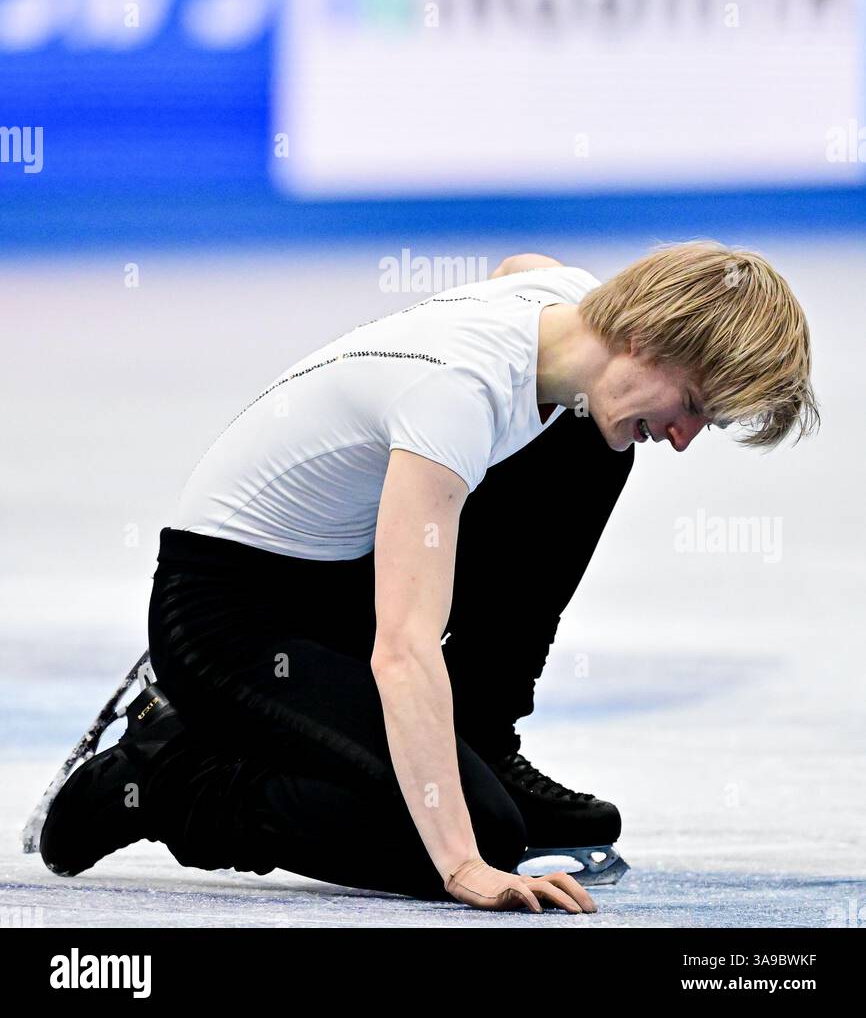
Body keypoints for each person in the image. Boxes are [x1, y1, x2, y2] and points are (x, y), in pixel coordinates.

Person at [40, 239, 818, 914]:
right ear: (648, 334)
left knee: (595, 440)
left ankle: (480, 732)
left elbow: (520, 266)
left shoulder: (574, 305)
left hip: (327, 576)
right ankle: (165, 773)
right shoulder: (454, 395)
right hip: (225, 622)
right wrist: (461, 865)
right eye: (691, 406)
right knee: (483, 832)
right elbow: (403, 649)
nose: (683, 439)